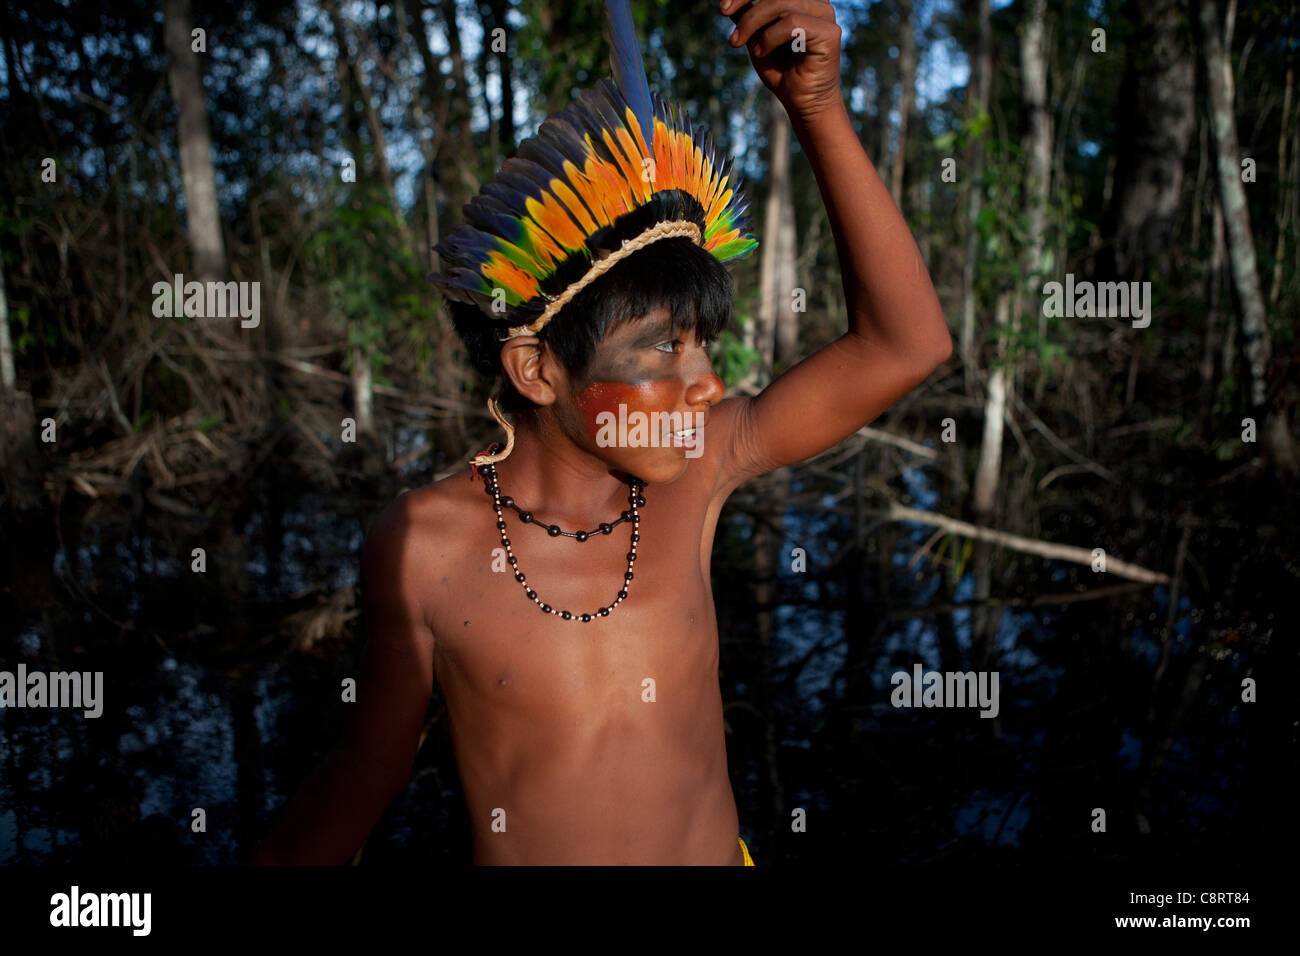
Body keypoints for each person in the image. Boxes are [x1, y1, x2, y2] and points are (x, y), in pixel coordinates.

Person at [251, 0, 949, 866]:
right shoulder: (424, 548)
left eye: (701, 344)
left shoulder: (697, 469)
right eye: (661, 348)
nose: (706, 383)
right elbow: (362, 775)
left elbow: (904, 344)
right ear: (538, 369)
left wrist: (817, 107)